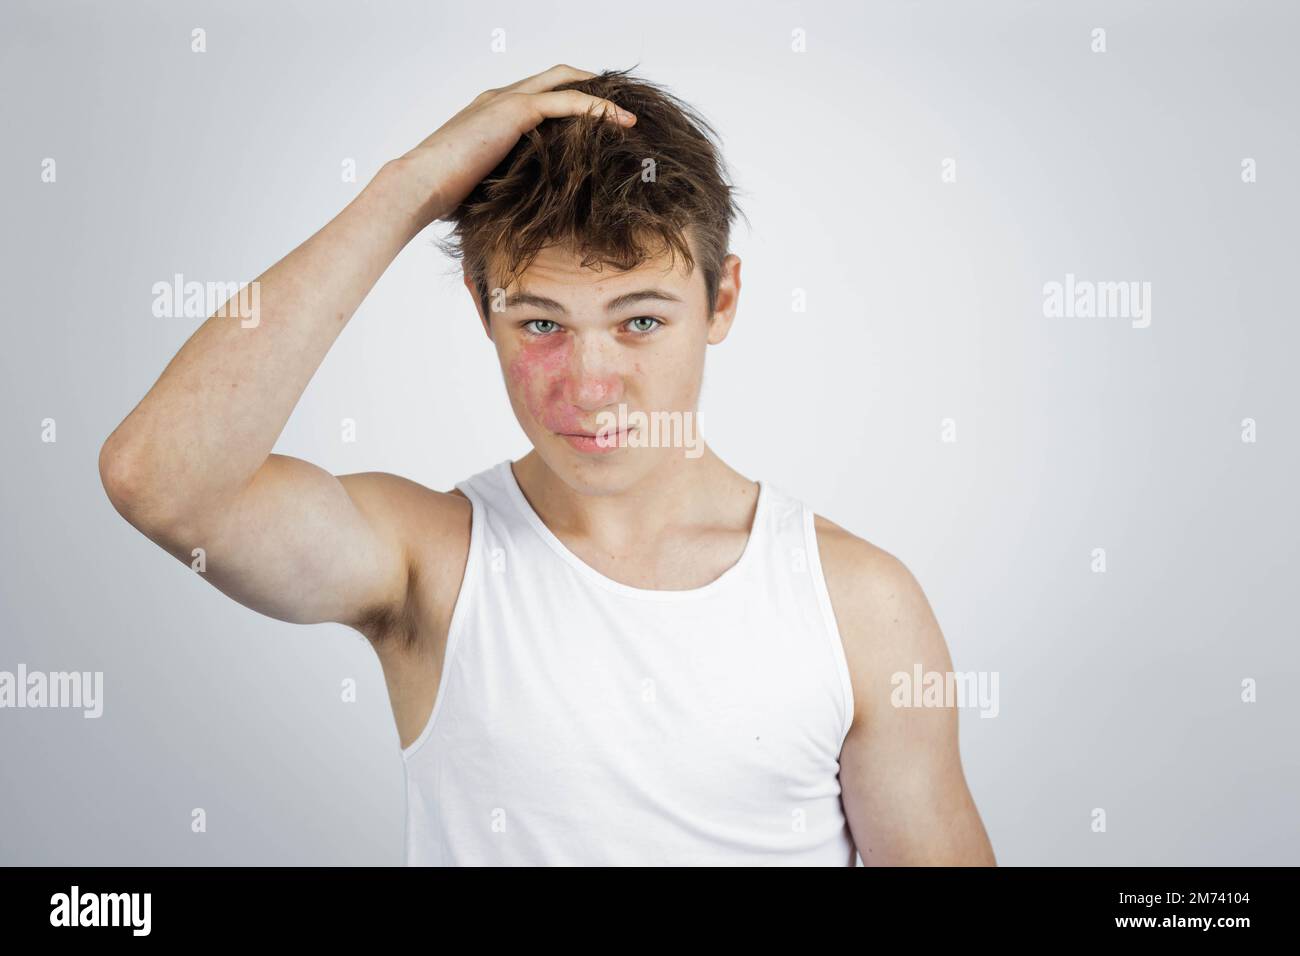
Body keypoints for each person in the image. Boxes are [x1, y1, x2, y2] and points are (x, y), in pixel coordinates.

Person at [99, 64, 996, 866]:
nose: (589, 384)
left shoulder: (858, 605)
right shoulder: (430, 561)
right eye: (540, 323)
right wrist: (410, 188)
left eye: (640, 320)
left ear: (721, 300)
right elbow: (161, 482)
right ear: (480, 310)